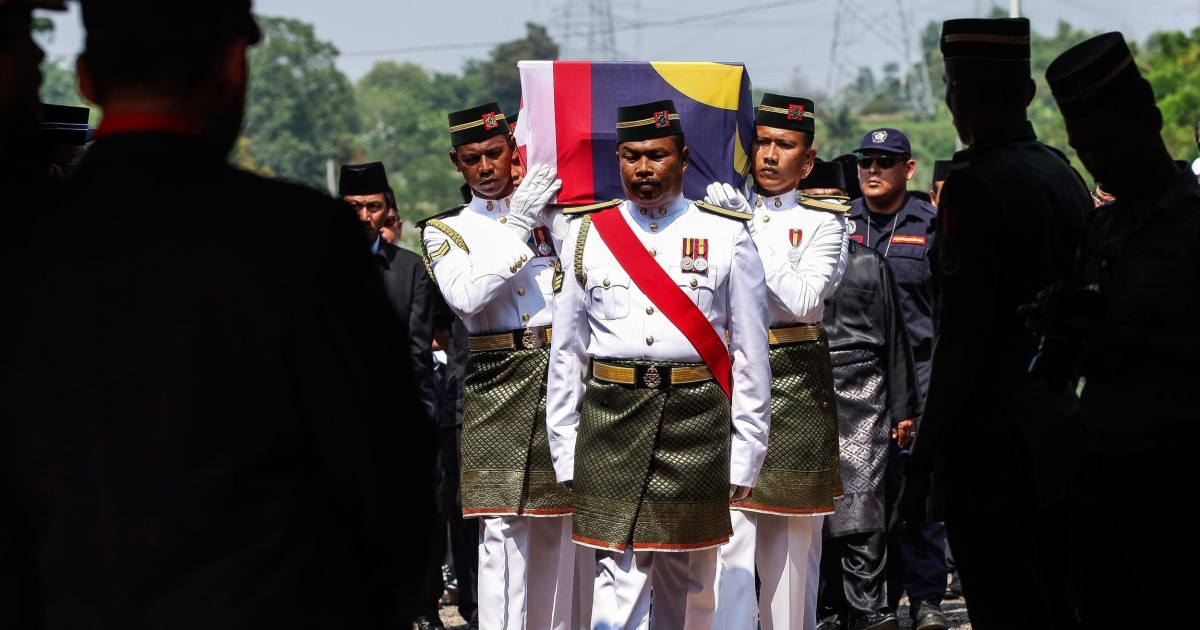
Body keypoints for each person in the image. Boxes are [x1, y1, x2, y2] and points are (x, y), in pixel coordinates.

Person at [0, 1, 436, 627]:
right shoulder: (303, 239)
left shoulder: (25, 244)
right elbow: (389, 477)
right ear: (234, 69)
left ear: (86, 78)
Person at [547, 99, 771, 629]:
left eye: (655, 155)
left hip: (697, 421)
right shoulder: (587, 233)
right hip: (611, 421)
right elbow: (567, 352)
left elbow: (752, 355)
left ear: (684, 158)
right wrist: (563, 444)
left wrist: (748, 450)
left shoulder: (726, 234)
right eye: (630, 156)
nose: (642, 169)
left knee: (692, 582)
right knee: (617, 577)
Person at [898, 17, 1091, 630]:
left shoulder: (974, 185)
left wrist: (924, 459)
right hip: (1057, 425)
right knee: (1057, 601)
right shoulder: (1060, 173)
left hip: (992, 442)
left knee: (1005, 602)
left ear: (956, 95)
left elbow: (963, 337)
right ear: (1028, 93)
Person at [1043, 31, 1196, 629]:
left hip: (1180, 466)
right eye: (1083, 148)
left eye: (1108, 141)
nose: (1097, 160)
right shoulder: (1101, 230)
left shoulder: (1192, 224)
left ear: (1152, 120)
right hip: (1105, 462)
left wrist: (1129, 342)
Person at [419, 101, 582, 630]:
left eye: (495, 153)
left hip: (563, 372)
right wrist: (516, 225)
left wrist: (551, 218)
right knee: (502, 529)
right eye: (473, 158)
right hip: (497, 377)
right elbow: (466, 297)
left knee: (563, 522)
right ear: (456, 163)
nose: (486, 166)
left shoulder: (553, 216)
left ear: (515, 153)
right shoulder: (446, 230)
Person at [708, 93, 846, 630]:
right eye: (762, 143)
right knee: (729, 544)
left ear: (806, 161)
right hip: (734, 381)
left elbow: (805, 299)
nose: (769, 155)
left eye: (784, 145)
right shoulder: (716, 208)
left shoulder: (823, 220)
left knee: (791, 553)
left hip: (796, 383)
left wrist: (748, 233)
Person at [808, 160, 922, 630]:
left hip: (853, 396)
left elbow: (895, 338)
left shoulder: (868, 263)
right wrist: (903, 408)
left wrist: (902, 408)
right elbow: (898, 342)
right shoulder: (867, 259)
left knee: (857, 508)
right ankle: (861, 607)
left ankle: (857, 609)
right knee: (856, 506)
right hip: (850, 396)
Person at [846, 127, 948, 629]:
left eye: (885, 162)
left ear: (908, 170)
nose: (872, 170)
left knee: (916, 495)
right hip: (860, 385)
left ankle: (927, 598)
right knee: (866, 498)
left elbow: (945, 309)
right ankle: (874, 602)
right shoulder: (840, 227)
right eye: (866, 161)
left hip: (922, 381)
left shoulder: (929, 226)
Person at [339, 161, 442, 629]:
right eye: (354, 206)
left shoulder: (410, 269)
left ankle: (423, 605)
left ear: (387, 212)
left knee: (414, 516)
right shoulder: (318, 265)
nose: (364, 215)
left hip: (398, 415)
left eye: (373, 206)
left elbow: (418, 351)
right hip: (337, 418)